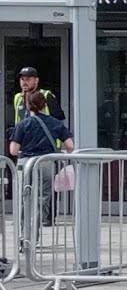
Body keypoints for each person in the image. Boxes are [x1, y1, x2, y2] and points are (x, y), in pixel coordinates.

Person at [8, 91, 75, 229]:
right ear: (44, 105)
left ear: (28, 105)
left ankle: (23, 233)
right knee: (42, 199)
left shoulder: (23, 124)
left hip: (26, 163)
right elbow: (70, 145)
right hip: (46, 163)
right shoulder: (55, 123)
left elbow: (13, 150)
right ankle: (36, 232)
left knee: (24, 197)